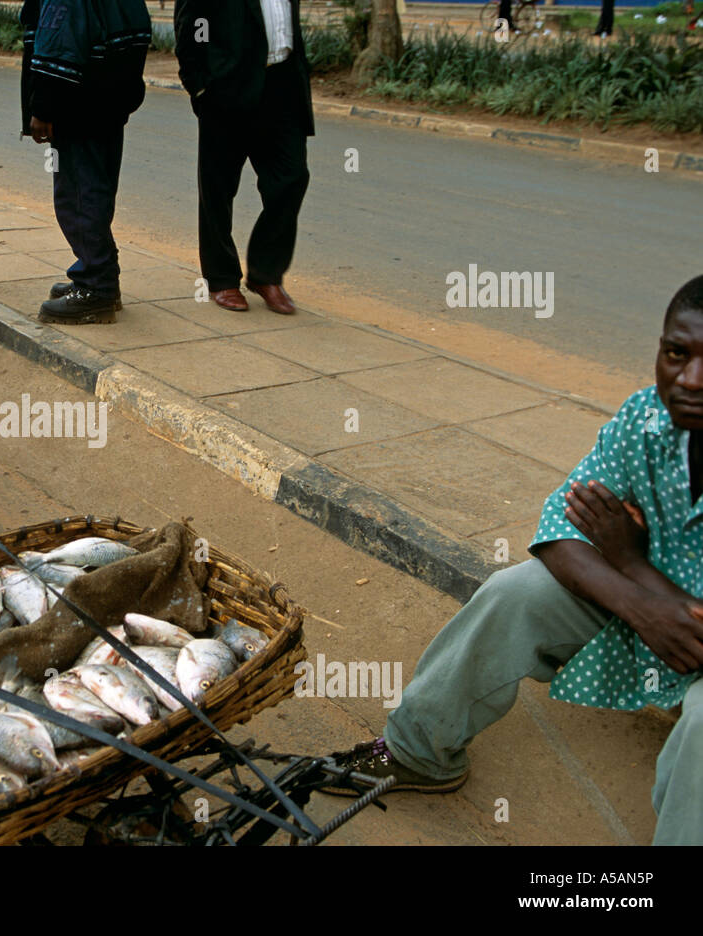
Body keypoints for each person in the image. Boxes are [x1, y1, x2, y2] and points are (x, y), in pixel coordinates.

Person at [328, 276, 703, 846]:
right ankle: (419, 753)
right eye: (677, 354)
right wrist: (641, 601)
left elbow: (607, 549)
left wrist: (630, 561)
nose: (690, 380)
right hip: (653, 613)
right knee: (517, 593)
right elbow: (560, 532)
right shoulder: (644, 418)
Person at [174, 0, 313, 313]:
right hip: (226, 90)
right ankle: (222, 278)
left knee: (291, 178)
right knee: (218, 188)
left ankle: (266, 274)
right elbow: (191, 27)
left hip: (282, 85)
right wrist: (200, 87)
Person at [19, 0, 152, 326]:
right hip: (108, 105)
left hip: (77, 109)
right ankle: (102, 277)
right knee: (97, 193)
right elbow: (139, 36)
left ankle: (96, 288)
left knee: (79, 197)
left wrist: (43, 109)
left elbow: (58, 46)